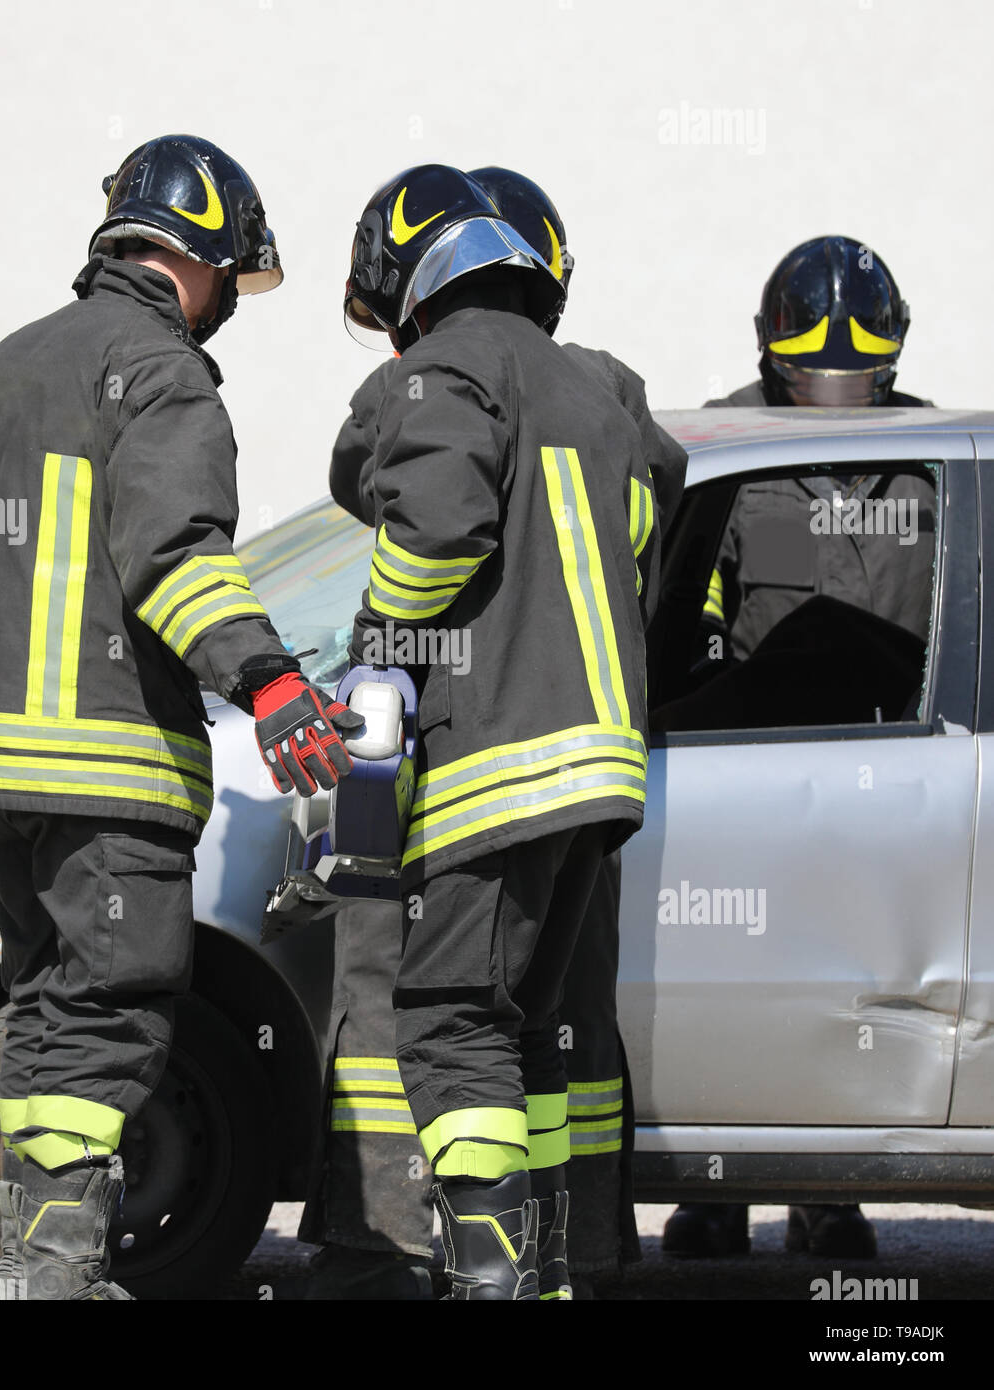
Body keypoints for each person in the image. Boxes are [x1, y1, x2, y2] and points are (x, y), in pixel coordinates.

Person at [0, 134, 357, 1300]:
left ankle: (32, 1263)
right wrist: (272, 681)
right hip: (109, 765)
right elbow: (175, 559)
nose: (229, 307)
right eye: (234, 281)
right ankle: (61, 1274)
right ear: (204, 261)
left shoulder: (6, 367)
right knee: (111, 1010)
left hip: (4, 769)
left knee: (45, 1011)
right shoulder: (164, 372)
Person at [301, 167, 685, 1300]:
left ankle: (489, 1278)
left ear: (414, 299)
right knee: (532, 1033)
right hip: (602, 772)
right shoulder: (604, 393)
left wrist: (380, 645)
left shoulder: (448, 368)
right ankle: (546, 1267)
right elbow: (648, 542)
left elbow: (441, 528)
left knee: (447, 1016)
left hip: (495, 766)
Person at [661, 234, 932, 1262]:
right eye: (815, 376)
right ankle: (718, 1194)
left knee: (860, 985)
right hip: (759, 776)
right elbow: (686, 620)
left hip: (901, 777)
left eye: (857, 379)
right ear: (774, 359)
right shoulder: (733, 451)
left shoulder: (928, 452)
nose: (836, 395)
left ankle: (828, 1196)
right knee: (741, 982)